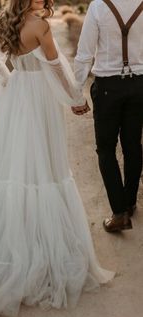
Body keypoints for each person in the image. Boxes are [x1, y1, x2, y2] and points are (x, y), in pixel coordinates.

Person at [0, 0, 115, 317]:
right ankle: (40, 253)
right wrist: (74, 98)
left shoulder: (7, 23)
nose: (44, 0)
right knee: (44, 168)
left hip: (14, 96)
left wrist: (5, 78)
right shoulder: (40, 25)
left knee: (15, 165)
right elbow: (55, 67)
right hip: (39, 98)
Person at [73, 0, 143, 233]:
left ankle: (119, 213)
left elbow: (84, 55)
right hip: (140, 84)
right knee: (133, 145)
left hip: (107, 87)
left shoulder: (98, 6)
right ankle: (130, 202)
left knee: (106, 149)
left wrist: (76, 94)